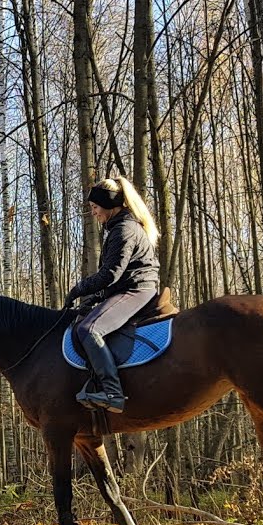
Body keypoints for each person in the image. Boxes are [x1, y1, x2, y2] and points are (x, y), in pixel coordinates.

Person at [64, 176, 161, 413]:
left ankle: (112, 391)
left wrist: (79, 289)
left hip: (137, 290)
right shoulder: (122, 227)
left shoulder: (124, 229)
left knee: (89, 329)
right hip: (131, 287)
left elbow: (110, 274)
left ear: (108, 205)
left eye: (95, 207)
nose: (94, 213)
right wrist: (96, 297)